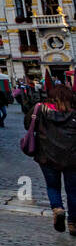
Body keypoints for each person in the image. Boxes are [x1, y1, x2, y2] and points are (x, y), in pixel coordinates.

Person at [29, 84, 76, 235]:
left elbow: (27, 125)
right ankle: (73, 223)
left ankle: (58, 208)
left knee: (53, 186)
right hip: (72, 158)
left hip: (47, 156)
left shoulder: (40, 109)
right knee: (73, 191)